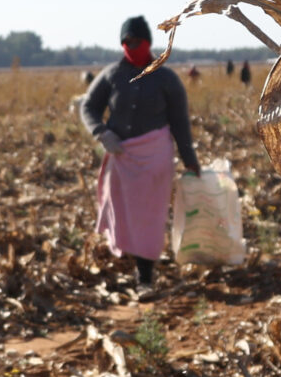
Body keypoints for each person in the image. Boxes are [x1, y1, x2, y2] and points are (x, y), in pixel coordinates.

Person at [80, 16, 200, 290]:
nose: (132, 46)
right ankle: (130, 261)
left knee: (149, 217)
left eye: (137, 41)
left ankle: (145, 277)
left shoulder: (166, 78)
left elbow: (180, 122)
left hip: (155, 158)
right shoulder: (112, 75)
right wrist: (101, 133)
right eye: (127, 42)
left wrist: (190, 160)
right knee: (122, 212)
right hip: (121, 156)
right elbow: (88, 107)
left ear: (147, 42)